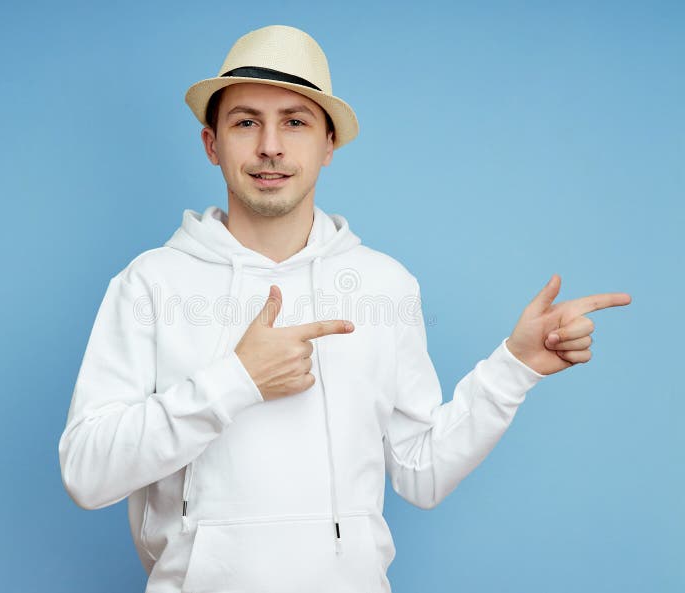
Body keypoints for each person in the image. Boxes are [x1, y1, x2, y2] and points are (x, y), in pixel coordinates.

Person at [58, 24, 631, 593]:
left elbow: (422, 472)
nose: (271, 147)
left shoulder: (384, 285)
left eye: (296, 122)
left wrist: (515, 367)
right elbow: (88, 472)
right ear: (212, 143)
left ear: (329, 144)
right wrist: (236, 380)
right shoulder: (150, 284)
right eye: (246, 122)